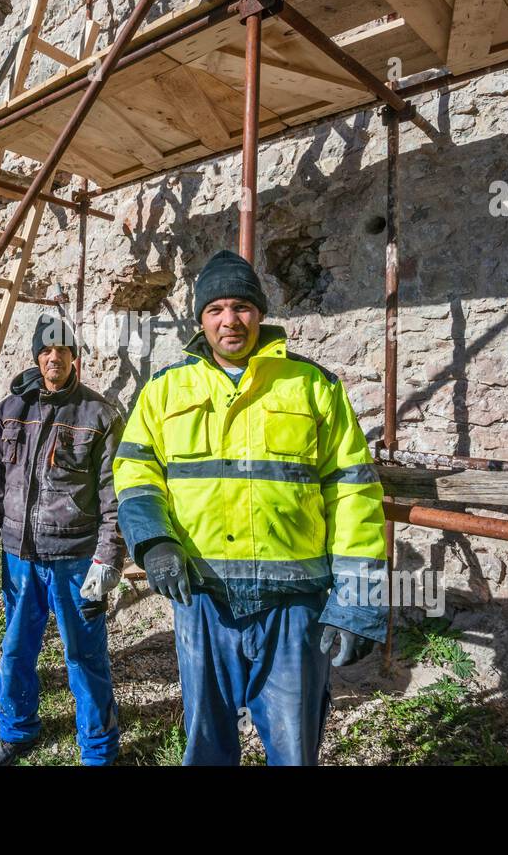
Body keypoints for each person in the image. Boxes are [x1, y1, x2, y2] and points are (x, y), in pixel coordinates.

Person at [112, 250, 387, 765]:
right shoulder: (164, 389)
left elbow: (354, 493)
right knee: (208, 743)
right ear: (200, 320)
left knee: (293, 746)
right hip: (204, 601)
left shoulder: (313, 386)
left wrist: (359, 601)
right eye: (215, 309)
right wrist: (154, 540)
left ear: (260, 313)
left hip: (294, 605)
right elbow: (134, 471)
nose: (229, 320)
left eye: (241, 307)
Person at [0, 313, 124, 766]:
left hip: (75, 560)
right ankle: (16, 731)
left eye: (63, 350)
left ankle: (98, 751)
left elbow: (118, 495)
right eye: (46, 350)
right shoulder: (10, 410)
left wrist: (107, 558)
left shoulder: (99, 415)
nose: (54, 358)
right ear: (36, 355)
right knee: (16, 650)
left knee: (84, 655)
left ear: (75, 357)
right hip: (19, 557)